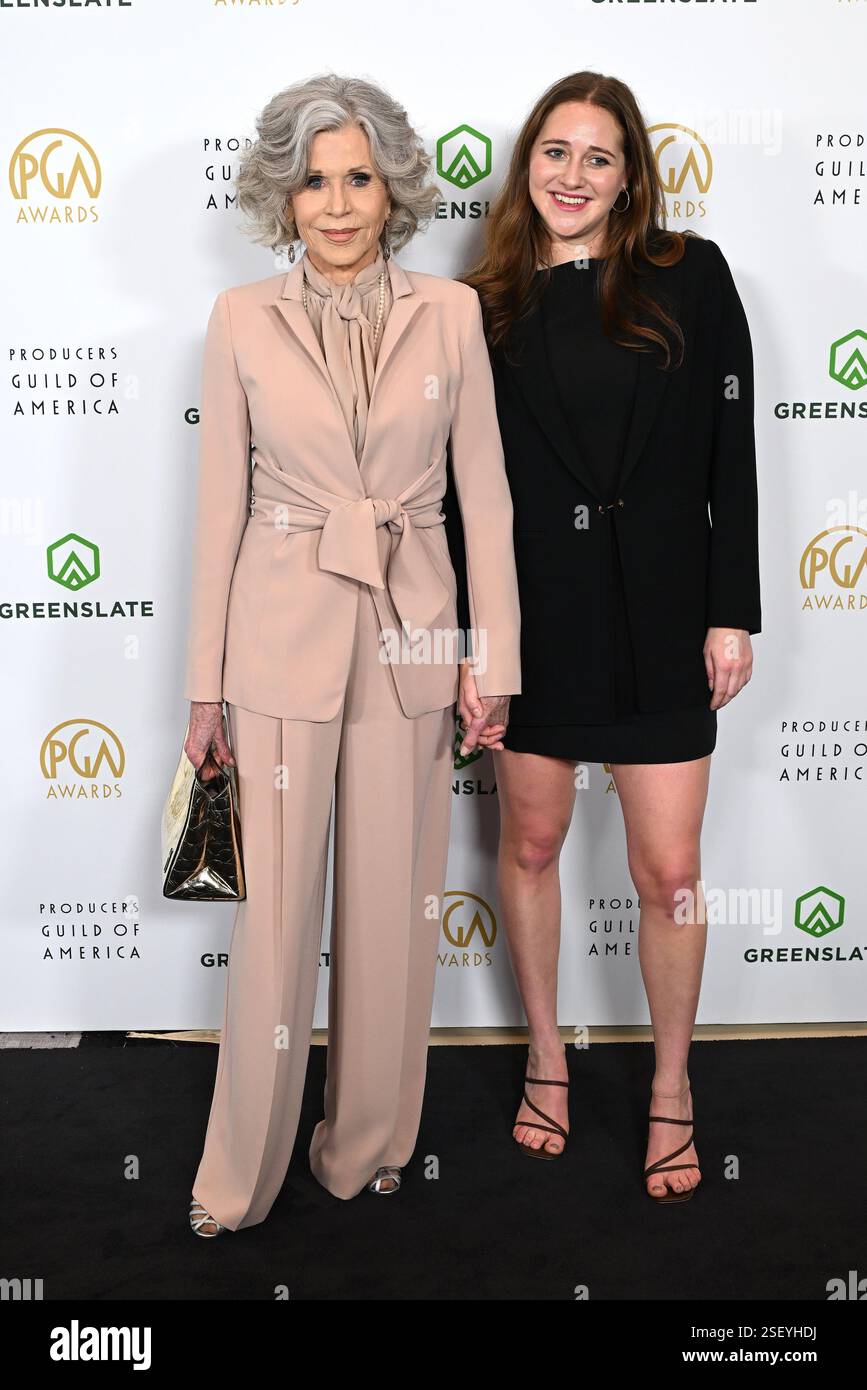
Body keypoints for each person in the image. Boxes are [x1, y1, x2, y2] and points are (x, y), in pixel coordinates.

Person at [183, 73, 521, 1236]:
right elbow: (217, 515)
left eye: (358, 178)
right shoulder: (239, 318)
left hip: (413, 634)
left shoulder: (452, 313)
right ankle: (239, 1175)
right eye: (314, 181)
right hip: (280, 638)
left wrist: (493, 658)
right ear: (284, 196)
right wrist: (203, 686)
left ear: (394, 190)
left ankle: (368, 1143)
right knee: (274, 924)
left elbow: (486, 496)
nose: (336, 204)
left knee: (391, 911)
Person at [456, 71, 760, 1203]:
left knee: (670, 873)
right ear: (526, 165)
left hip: (666, 613)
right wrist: (475, 645)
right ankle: (546, 1059)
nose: (572, 175)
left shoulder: (692, 274)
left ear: (630, 175)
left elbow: (733, 451)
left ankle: (672, 1086)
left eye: (598, 156)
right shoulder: (480, 303)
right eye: (554, 151)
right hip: (536, 620)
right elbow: (461, 493)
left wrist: (732, 609)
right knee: (531, 846)